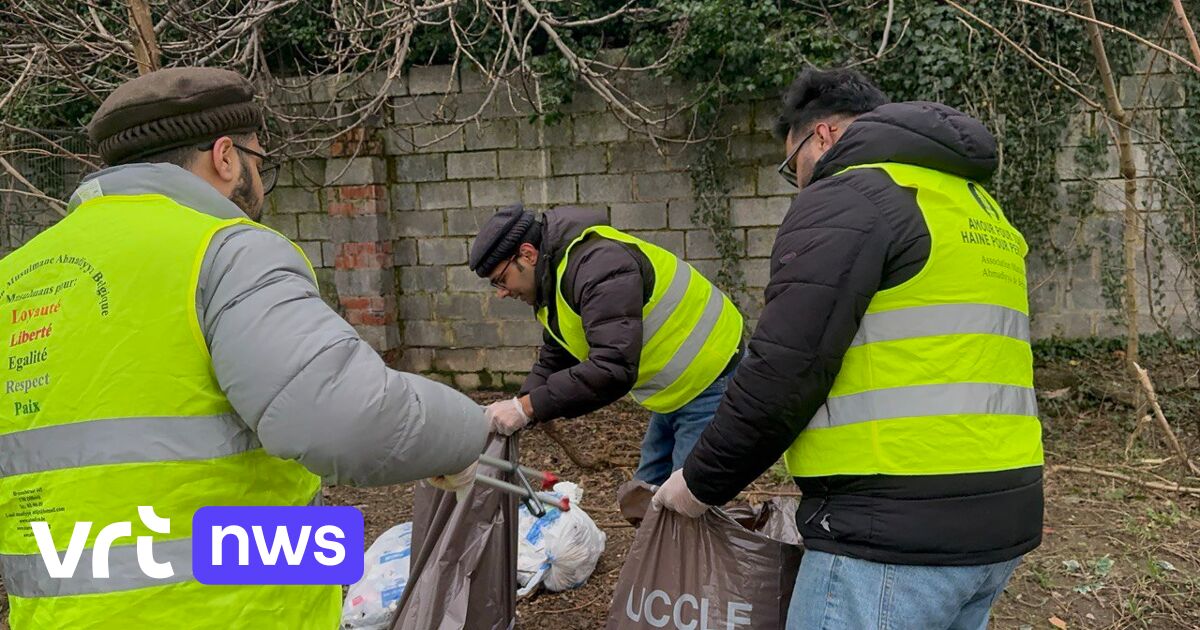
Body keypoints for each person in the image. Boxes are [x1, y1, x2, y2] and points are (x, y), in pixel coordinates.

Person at [0, 67, 488, 629]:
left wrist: (324, 550)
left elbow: (142, 511)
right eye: (262, 162)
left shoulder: (16, 275)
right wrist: (467, 436)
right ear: (227, 157)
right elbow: (341, 420)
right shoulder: (225, 251)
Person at [654, 67, 1044, 629]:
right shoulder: (974, 205)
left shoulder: (851, 196)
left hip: (889, 535)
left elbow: (785, 369)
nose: (799, 184)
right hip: (1002, 517)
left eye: (793, 169)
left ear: (824, 136)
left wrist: (697, 484)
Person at [468, 204, 743, 485]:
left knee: (687, 505)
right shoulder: (556, 277)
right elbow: (557, 355)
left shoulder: (600, 267)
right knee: (645, 494)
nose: (502, 293)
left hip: (711, 375)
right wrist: (516, 404)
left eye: (502, 280)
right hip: (675, 390)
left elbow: (611, 369)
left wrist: (527, 407)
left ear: (527, 254)